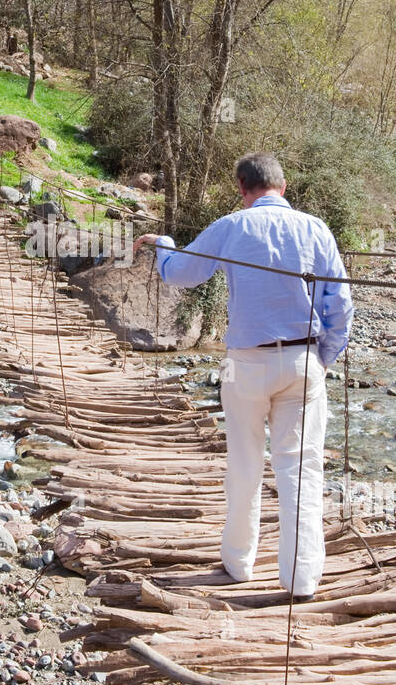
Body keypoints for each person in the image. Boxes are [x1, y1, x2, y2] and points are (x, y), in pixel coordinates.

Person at [134, 152, 353, 600]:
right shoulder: (317, 230)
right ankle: (301, 579)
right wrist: (321, 358)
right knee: (301, 469)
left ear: (241, 187)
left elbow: (181, 274)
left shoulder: (231, 226)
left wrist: (164, 243)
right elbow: (340, 305)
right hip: (302, 360)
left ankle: (238, 563)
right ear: (284, 186)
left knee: (244, 464)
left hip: (244, 362)